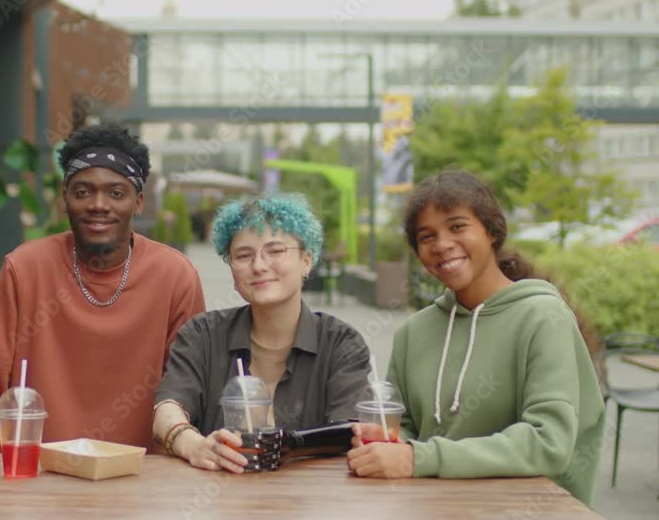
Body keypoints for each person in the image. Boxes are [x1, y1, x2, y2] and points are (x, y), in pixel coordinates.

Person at [346, 171, 605, 505]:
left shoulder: (543, 317)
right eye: (426, 236)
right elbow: (407, 428)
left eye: (457, 226)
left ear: (492, 232)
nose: (442, 245)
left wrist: (418, 458)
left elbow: (548, 443)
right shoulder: (413, 333)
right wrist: (388, 440)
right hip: (434, 508)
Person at [0, 124, 206, 450]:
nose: (99, 204)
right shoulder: (26, 268)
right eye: (83, 192)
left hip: (144, 476)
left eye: (116, 193)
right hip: (38, 474)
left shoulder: (175, 276)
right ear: (64, 199)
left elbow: (188, 388)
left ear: (138, 202)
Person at [154, 193, 371, 473]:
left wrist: (288, 446)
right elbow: (166, 410)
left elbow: (348, 432)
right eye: (243, 255)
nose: (258, 265)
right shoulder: (202, 335)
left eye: (276, 251)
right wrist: (192, 444)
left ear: (307, 260)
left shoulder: (342, 344)